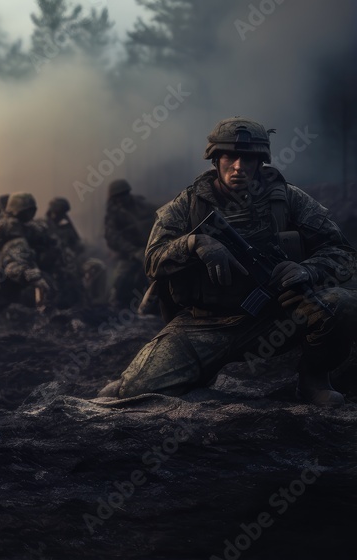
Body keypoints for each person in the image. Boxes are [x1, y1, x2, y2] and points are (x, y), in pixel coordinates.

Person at [98, 117, 357, 405]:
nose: (238, 166)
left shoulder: (287, 198)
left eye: (248, 158)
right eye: (229, 156)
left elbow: (343, 253)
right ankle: (189, 374)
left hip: (274, 320)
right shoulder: (188, 204)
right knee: (136, 391)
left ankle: (314, 381)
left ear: (261, 162)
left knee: (341, 304)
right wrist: (194, 243)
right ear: (214, 159)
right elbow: (152, 260)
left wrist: (306, 270)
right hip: (205, 325)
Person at [0, 193, 52, 324]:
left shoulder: (24, 226)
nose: (31, 214)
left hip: (14, 285)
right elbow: (13, 265)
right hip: (9, 286)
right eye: (28, 211)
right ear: (19, 211)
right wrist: (34, 277)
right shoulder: (12, 233)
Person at [104, 179, 157, 310]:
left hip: (150, 246)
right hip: (128, 253)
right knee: (121, 277)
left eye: (123, 195)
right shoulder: (113, 214)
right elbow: (113, 237)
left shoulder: (143, 205)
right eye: (118, 196)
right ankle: (116, 303)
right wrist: (134, 251)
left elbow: (159, 220)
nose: (121, 199)